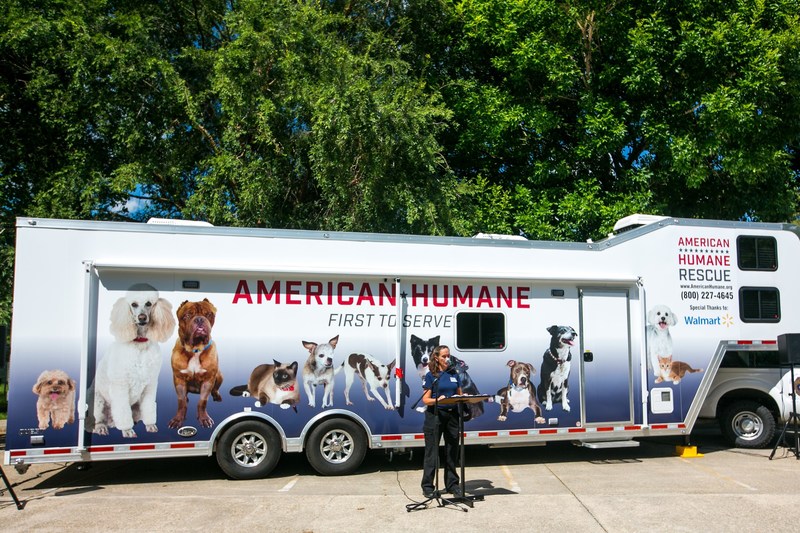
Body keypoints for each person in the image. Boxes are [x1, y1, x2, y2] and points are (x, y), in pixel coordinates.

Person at [420, 345, 463, 498]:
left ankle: (452, 485)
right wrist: (438, 400)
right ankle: (428, 486)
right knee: (432, 452)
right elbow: (425, 399)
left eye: (448, 356)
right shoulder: (432, 375)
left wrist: (462, 399)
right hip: (435, 416)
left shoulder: (454, 373)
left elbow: (460, 395)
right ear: (436, 357)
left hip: (452, 416)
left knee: (452, 451)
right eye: (444, 356)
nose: (447, 359)